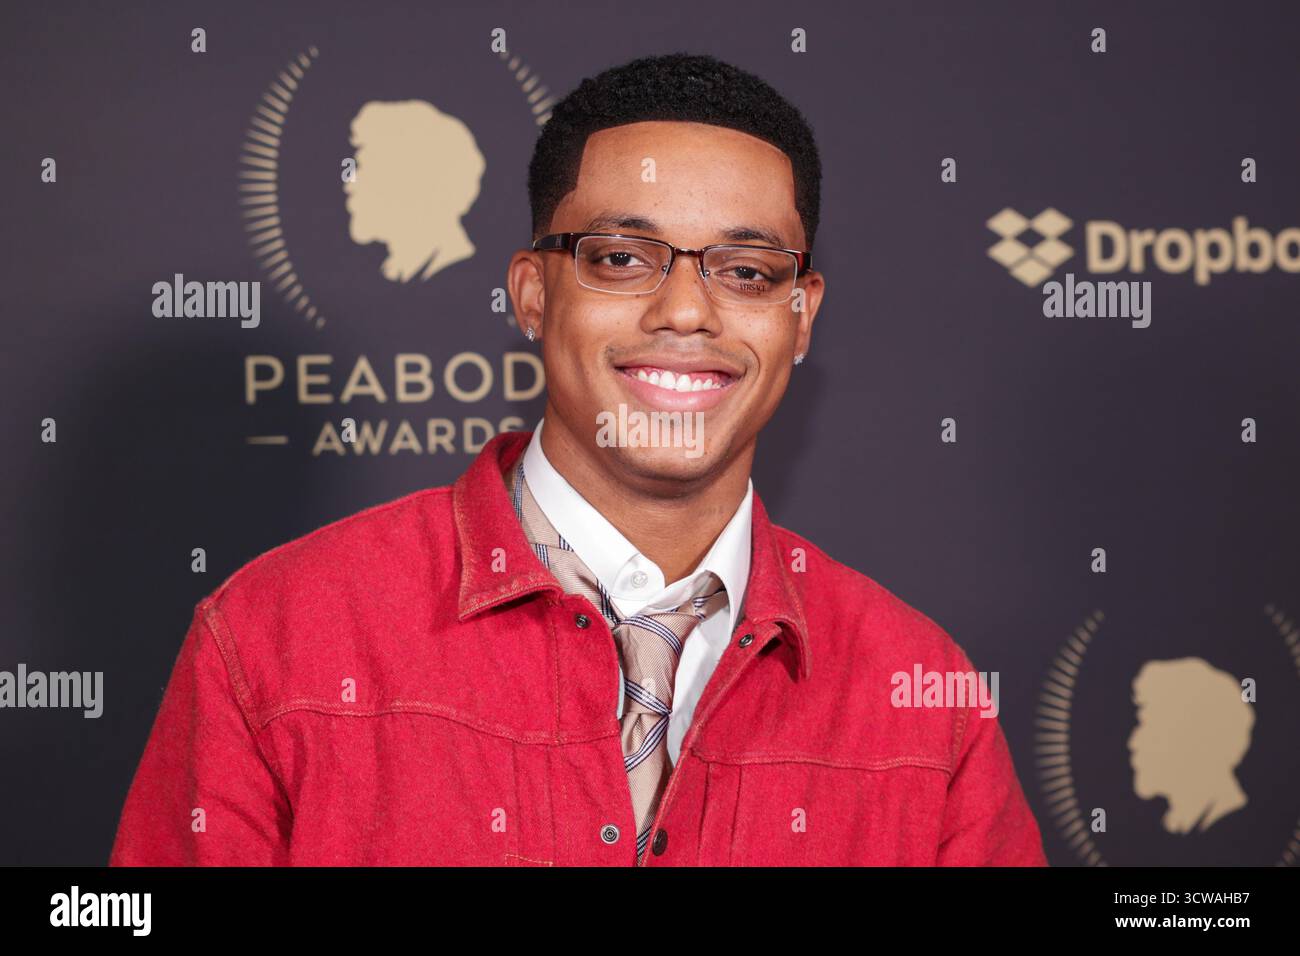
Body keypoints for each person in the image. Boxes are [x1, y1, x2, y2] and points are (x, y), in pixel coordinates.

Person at [110, 52, 1047, 866]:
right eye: (620, 258)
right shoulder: (275, 638)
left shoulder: (925, 699)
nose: (685, 311)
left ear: (801, 316)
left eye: (747, 271)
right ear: (530, 294)